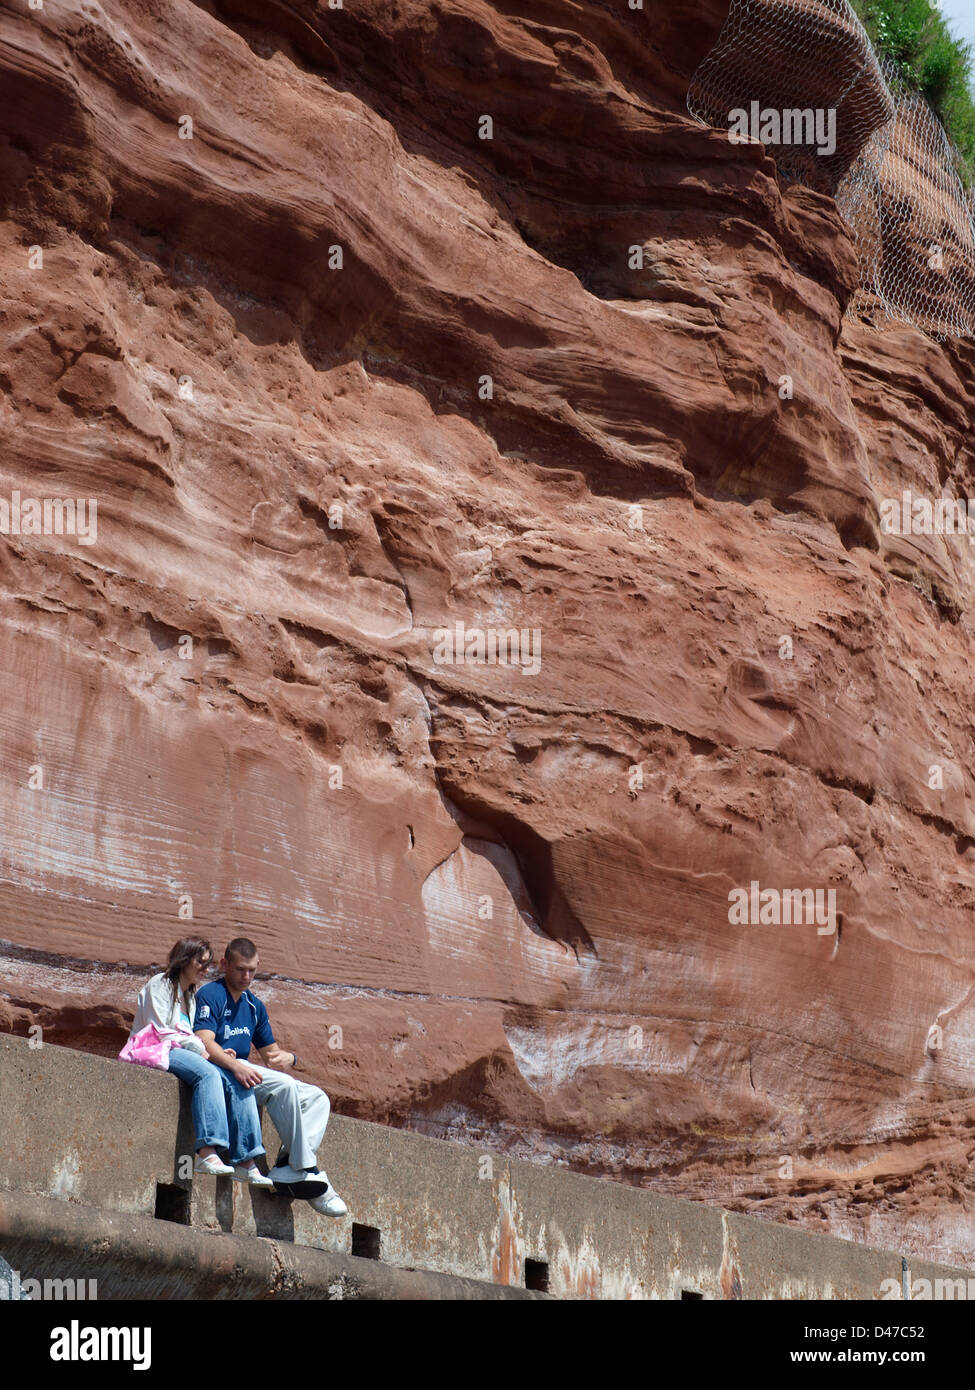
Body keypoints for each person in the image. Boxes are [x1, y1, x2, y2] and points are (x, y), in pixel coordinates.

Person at [193, 937, 347, 1217]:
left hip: (245, 1071)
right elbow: (203, 1040)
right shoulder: (211, 995)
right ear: (224, 964)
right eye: (240, 969)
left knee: (318, 1099)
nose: (246, 976)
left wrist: (291, 1058)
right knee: (285, 1086)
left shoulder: (254, 1006)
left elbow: (272, 1056)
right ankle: (306, 1170)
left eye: (252, 970)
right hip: (221, 1066)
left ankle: (289, 1166)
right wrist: (236, 1065)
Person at [127, 937, 274, 1185]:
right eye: (201, 963)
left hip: (184, 1051)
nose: (206, 970)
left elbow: (192, 1036)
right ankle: (207, 1151)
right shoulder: (161, 984)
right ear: (184, 960)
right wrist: (200, 1048)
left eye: (208, 965)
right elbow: (159, 1031)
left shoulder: (191, 996)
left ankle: (246, 1160)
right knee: (209, 1073)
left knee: (238, 1076)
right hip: (154, 1049)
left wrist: (221, 1054)